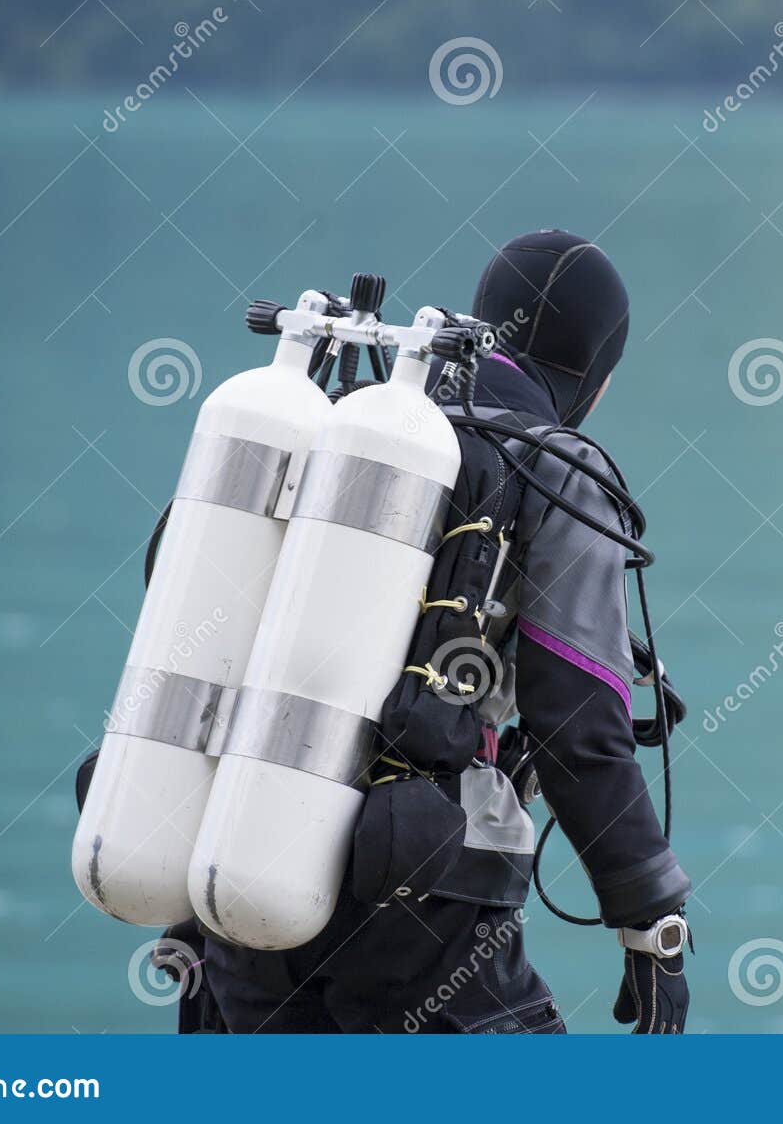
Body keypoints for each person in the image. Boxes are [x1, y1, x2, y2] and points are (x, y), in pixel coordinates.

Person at [190, 228, 693, 1033]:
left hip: (244, 874)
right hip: (428, 906)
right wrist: (651, 919)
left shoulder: (353, 424)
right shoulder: (556, 469)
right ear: (594, 373)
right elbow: (577, 725)